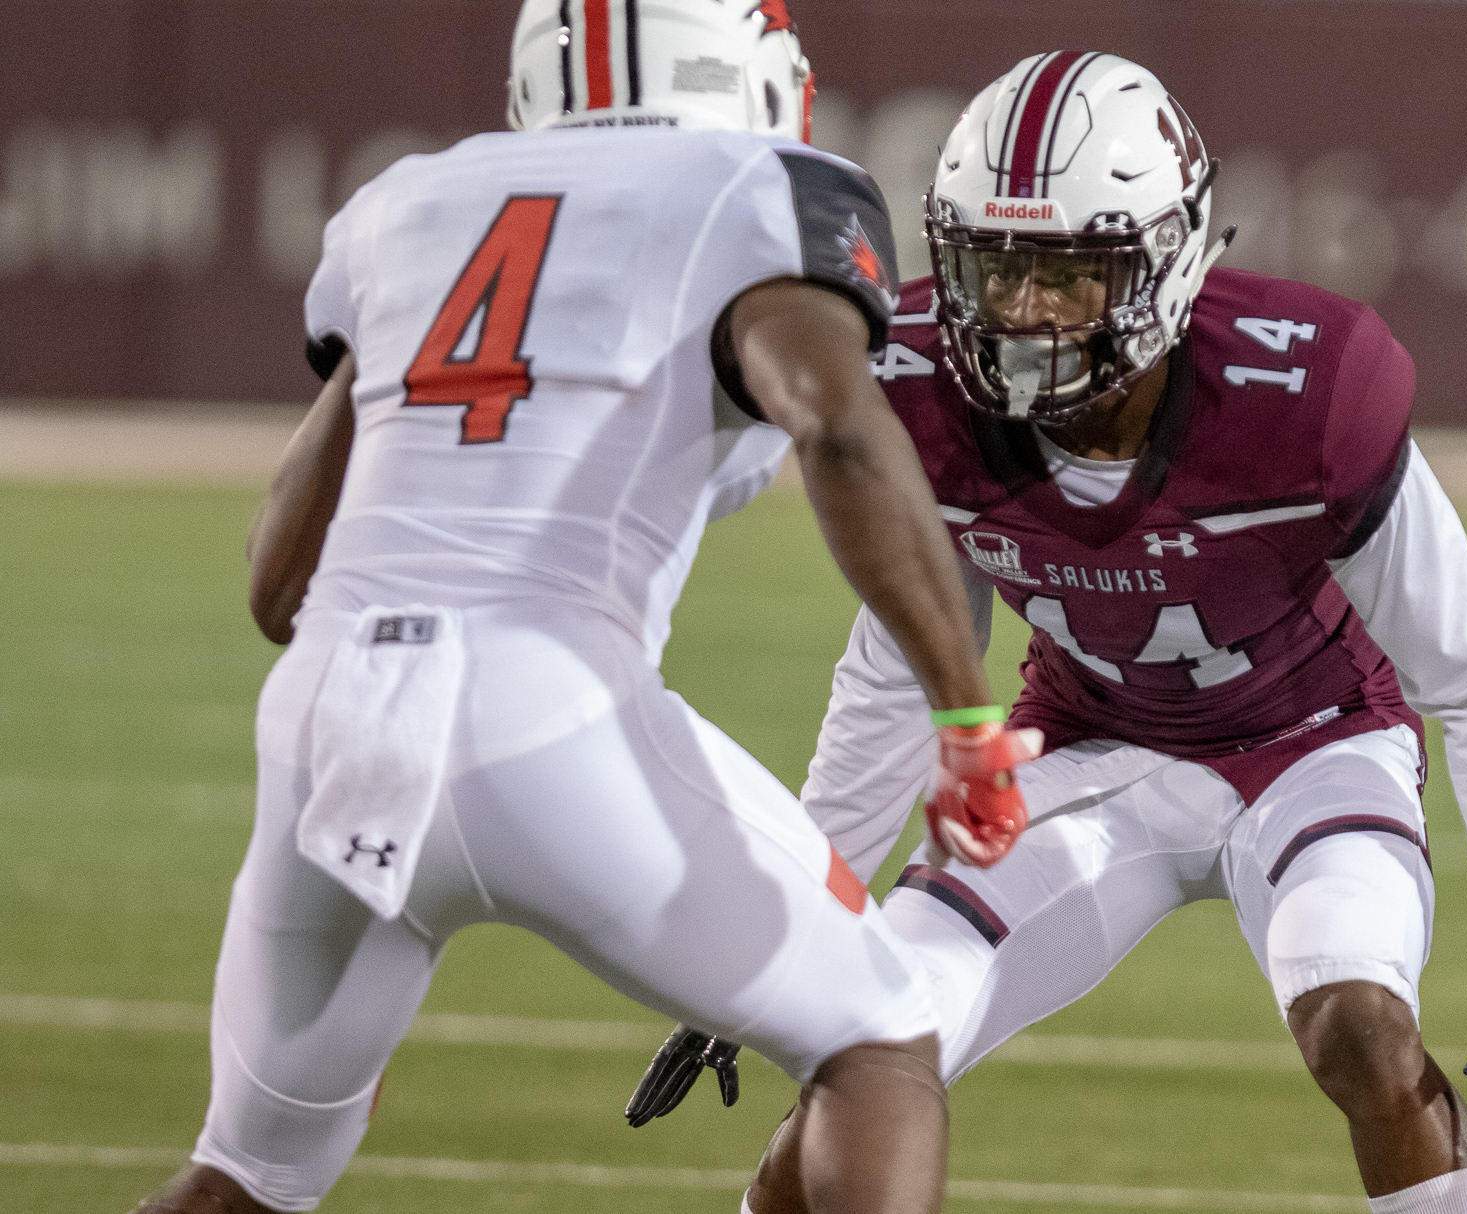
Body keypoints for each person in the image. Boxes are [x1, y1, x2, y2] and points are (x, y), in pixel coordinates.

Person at [626, 51, 1467, 1214]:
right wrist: (788, 937)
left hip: (1313, 742)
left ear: (1167, 259)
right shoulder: (913, 390)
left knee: (1359, 1026)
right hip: (1088, 748)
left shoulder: (1304, 392)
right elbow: (893, 678)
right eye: (993, 270)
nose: (1022, 312)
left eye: (1066, 273)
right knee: (860, 1038)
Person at [128, 4, 1045, 1213]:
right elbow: (838, 431)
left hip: (333, 718)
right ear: (752, 73)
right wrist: (967, 714)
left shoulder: (406, 201)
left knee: (244, 1176)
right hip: (548, 706)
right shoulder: (755, 188)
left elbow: (276, 586)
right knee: (878, 1036)